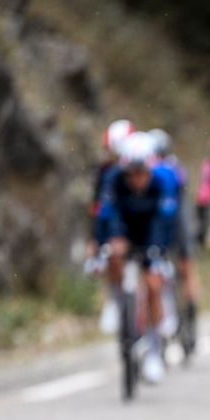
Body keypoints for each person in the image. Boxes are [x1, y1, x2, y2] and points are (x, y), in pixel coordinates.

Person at [91, 131, 179, 384]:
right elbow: (107, 214)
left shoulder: (164, 179)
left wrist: (158, 250)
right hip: (127, 229)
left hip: (153, 231)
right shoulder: (114, 179)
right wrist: (104, 244)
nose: (137, 180)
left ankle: (153, 349)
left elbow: (166, 220)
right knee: (114, 256)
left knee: (152, 285)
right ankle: (117, 300)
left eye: (142, 174)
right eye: (133, 174)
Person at [149, 128, 196, 346]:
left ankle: (191, 304)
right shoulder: (158, 167)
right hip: (159, 221)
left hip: (177, 219)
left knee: (186, 264)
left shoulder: (172, 168)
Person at [90, 120, 135, 328]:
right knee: (113, 255)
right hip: (117, 224)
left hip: (140, 224)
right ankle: (115, 297)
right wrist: (96, 242)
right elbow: (100, 208)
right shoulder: (105, 173)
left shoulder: (144, 168)